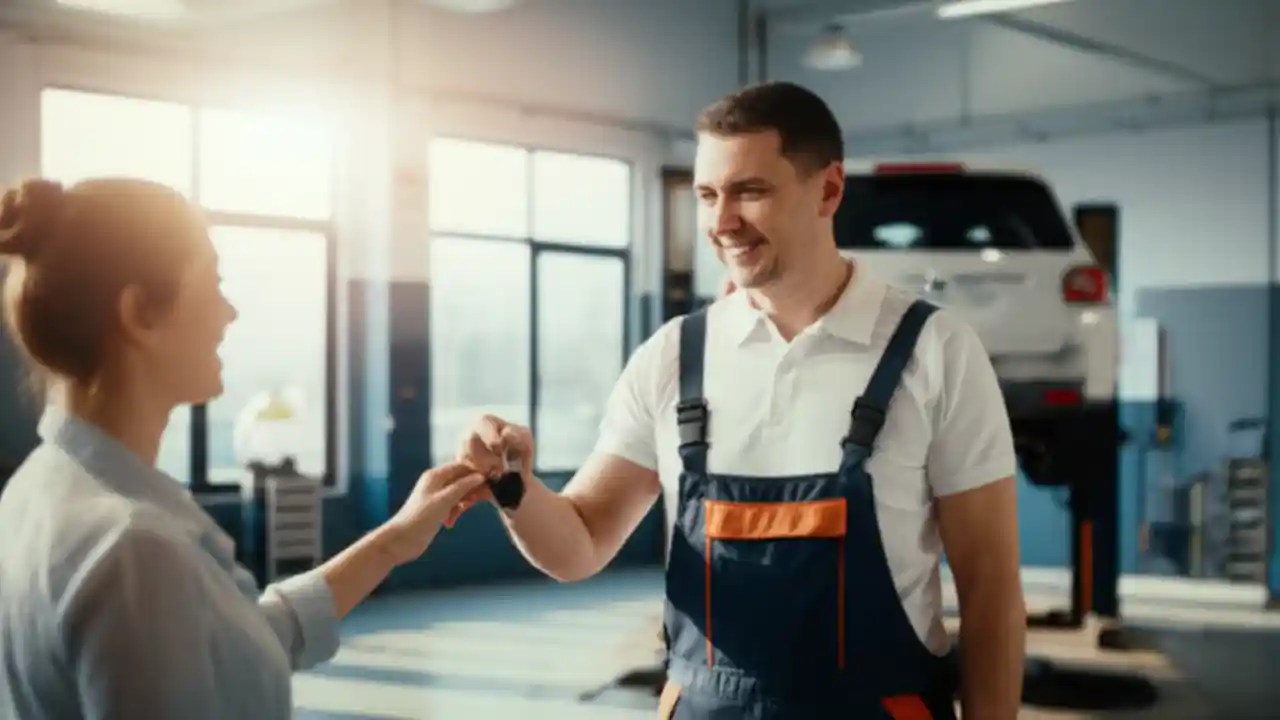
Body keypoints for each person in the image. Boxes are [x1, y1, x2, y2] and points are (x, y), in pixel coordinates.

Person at [453, 81, 1026, 719]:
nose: (722, 222)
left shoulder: (935, 352)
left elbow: (990, 589)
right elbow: (580, 544)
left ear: (829, 190)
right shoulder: (674, 357)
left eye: (750, 192)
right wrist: (516, 489)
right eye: (707, 194)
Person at [0, 177, 486, 720]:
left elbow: (244, 642)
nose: (228, 314)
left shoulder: (37, 490)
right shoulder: (134, 551)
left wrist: (394, 541)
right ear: (140, 313)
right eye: (213, 283)